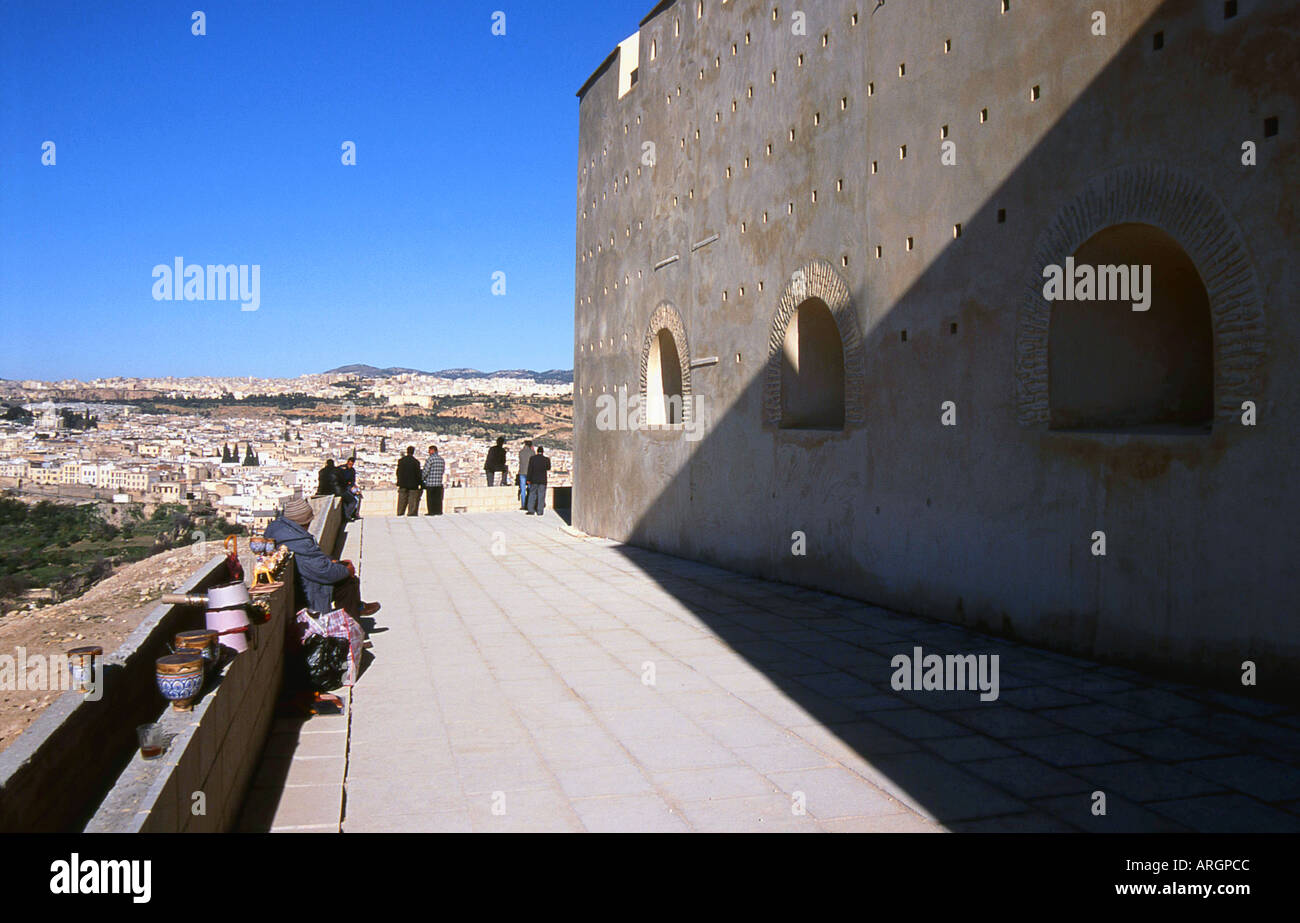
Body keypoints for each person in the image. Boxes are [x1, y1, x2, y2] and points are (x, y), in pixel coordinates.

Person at [266, 498, 379, 619]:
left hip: (302, 579)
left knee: (342, 569)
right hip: (308, 589)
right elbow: (322, 571)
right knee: (348, 582)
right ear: (304, 521)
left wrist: (333, 561)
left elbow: (313, 561)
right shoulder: (298, 541)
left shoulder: (279, 530)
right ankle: (351, 623)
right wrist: (347, 570)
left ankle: (357, 608)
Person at [396, 446, 423, 516]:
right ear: (413, 452)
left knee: (402, 500)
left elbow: (398, 472)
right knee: (412, 501)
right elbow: (418, 474)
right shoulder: (416, 462)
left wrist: (399, 481)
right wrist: (420, 483)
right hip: (413, 485)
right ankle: (411, 513)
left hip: (403, 484)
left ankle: (400, 513)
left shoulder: (401, 461)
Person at [525, 446, 551, 516]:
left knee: (532, 494)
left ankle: (531, 510)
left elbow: (529, 469)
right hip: (543, 480)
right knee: (541, 495)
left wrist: (528, 479)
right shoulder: (546, 459)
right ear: (543, 452)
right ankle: (540, 511)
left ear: (537, 451)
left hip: (534, 479)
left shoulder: (532, 459)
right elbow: (548, 468)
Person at [422, 445, 445, 515]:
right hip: (439, 483)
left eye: (429, 450)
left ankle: (431, 511)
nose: (428, 452)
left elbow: (426, 471)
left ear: (433, 450)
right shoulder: (441, 459)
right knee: (438, 499)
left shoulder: (430, 459)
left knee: (430, 499)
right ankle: (438, 511)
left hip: (430, 483)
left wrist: (423, 478)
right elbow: (442, 471)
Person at [336, 457, 360, 521]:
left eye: (352, 464)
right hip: (343, 487)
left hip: (349, 486)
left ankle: (354, 513)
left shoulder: (352, 470)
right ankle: (348, 515)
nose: (350, 465)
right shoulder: (341, 468)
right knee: (352, 501)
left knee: (357, 495)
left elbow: (352, 480)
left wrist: (354, 486)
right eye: (350, 464)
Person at [516, 440, 534, 510]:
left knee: (523, 489)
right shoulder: (532, 452)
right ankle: (529, 505)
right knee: (530, 489)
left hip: (522, 472)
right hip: (530, 473)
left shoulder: (521, 452)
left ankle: (523, 505)